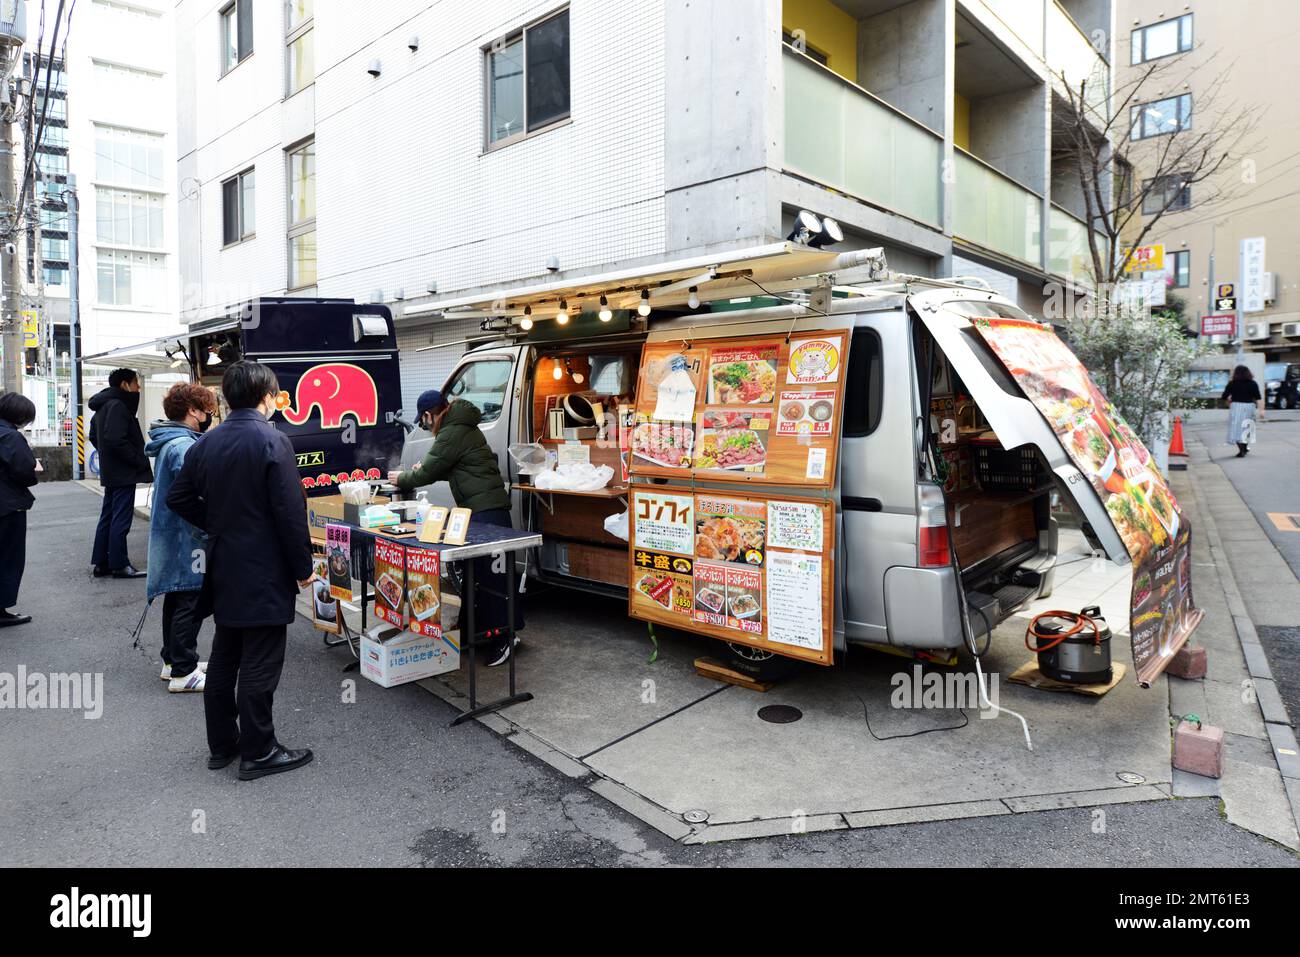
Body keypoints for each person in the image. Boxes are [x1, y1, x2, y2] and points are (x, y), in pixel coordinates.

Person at [167, 360, 316, 780]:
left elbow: (177, 498)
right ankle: (259, 750)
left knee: (225, 655)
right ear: (266, 396)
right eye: (274, 394)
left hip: (223, 563)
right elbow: (289, 512)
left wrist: (216, 523)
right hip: (264, 567)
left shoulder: (206, 443)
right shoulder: (273, 441)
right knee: (260, 661)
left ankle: (222, 745)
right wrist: (303, 566)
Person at [387, 389, 522, 666]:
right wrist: (421, 468)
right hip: (483, 508)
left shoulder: (452, 431)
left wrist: (402, 478)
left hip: (488, 511)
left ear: (429, 415)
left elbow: (429, 471)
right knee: (479, 574)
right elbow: (449, 465)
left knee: (493, 577)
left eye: (424, 422)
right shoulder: (460, 427)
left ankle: (505, 637)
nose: (425, 427)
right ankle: (477, 633)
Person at [145, 383, 218, 693]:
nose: (210, 416)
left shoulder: (170, 441)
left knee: (177, 597)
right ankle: (184, 671)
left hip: (173, 532)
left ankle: (172, 661)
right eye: (208, 411)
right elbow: (200, 493)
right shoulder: (184, 446)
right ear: (193, 411)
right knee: (191, 598)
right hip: (189, 535)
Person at [88, 368, 153, 578]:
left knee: (108, 515)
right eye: (136, 383)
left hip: (112, 470)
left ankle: (102, 562)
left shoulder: (104, 405)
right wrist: (135, 459)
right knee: (120, 518)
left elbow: (94, 436)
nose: (138, 388)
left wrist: (107, 456)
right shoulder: (118, 405)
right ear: (125, 384)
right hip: (123, 471)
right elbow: (115, 439)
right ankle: (119, 564)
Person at [0, 392, 39, 628]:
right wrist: (34, 469)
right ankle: (1, 609)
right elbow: (25, 470)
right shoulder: (11, 437)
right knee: (8, 559)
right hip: (8, 505)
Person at [1222, 365, 1264, 458]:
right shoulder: (1253, 383)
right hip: (1249, 407)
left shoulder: (1232, 383)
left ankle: (1241, 450)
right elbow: (1258, 398)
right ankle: (1244, 448)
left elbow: (1224, 396)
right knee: (1247, 428)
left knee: (1236, 429)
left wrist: (1229, 400)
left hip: (1236, 407)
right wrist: (1262, 410)